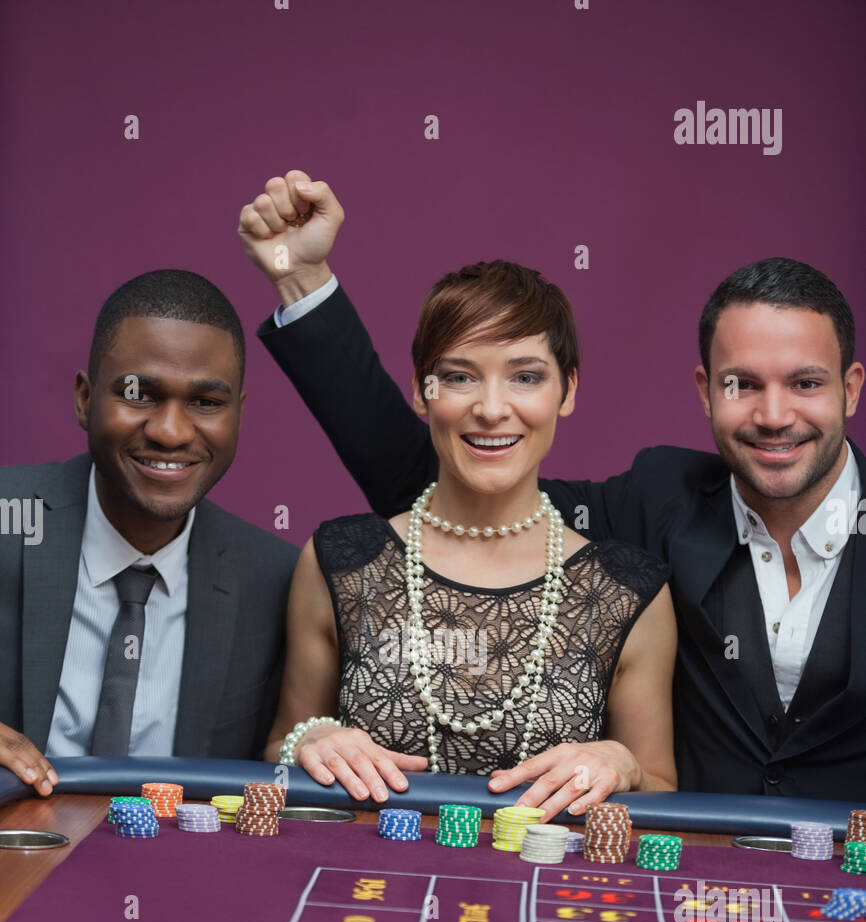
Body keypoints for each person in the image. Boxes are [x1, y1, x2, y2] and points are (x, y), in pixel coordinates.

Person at [239, 171, 865, 801]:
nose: (775, 414)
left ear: (851, 387)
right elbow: (452, 475)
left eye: (806, 383)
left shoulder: (625, 578)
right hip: (697, 879)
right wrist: (301, 278)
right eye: (744, 384)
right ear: (706, 391)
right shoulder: (656, 501)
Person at [259, 256, 677, 819]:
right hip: (371, 892)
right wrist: (308, 742)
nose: (491, 409)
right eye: (459, 377)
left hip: (541, 890)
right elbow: (277, 752)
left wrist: (622, 763)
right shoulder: (339, 562)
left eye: (526, 377)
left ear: (567, 390)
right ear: (421, 390)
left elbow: (661, 790)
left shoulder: (630, 589)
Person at [0, 270, 298, 794]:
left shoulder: (277, 580)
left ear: (238, 415)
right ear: (83, 398)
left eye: (206, 403)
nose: (170, 432)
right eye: (139, 394)